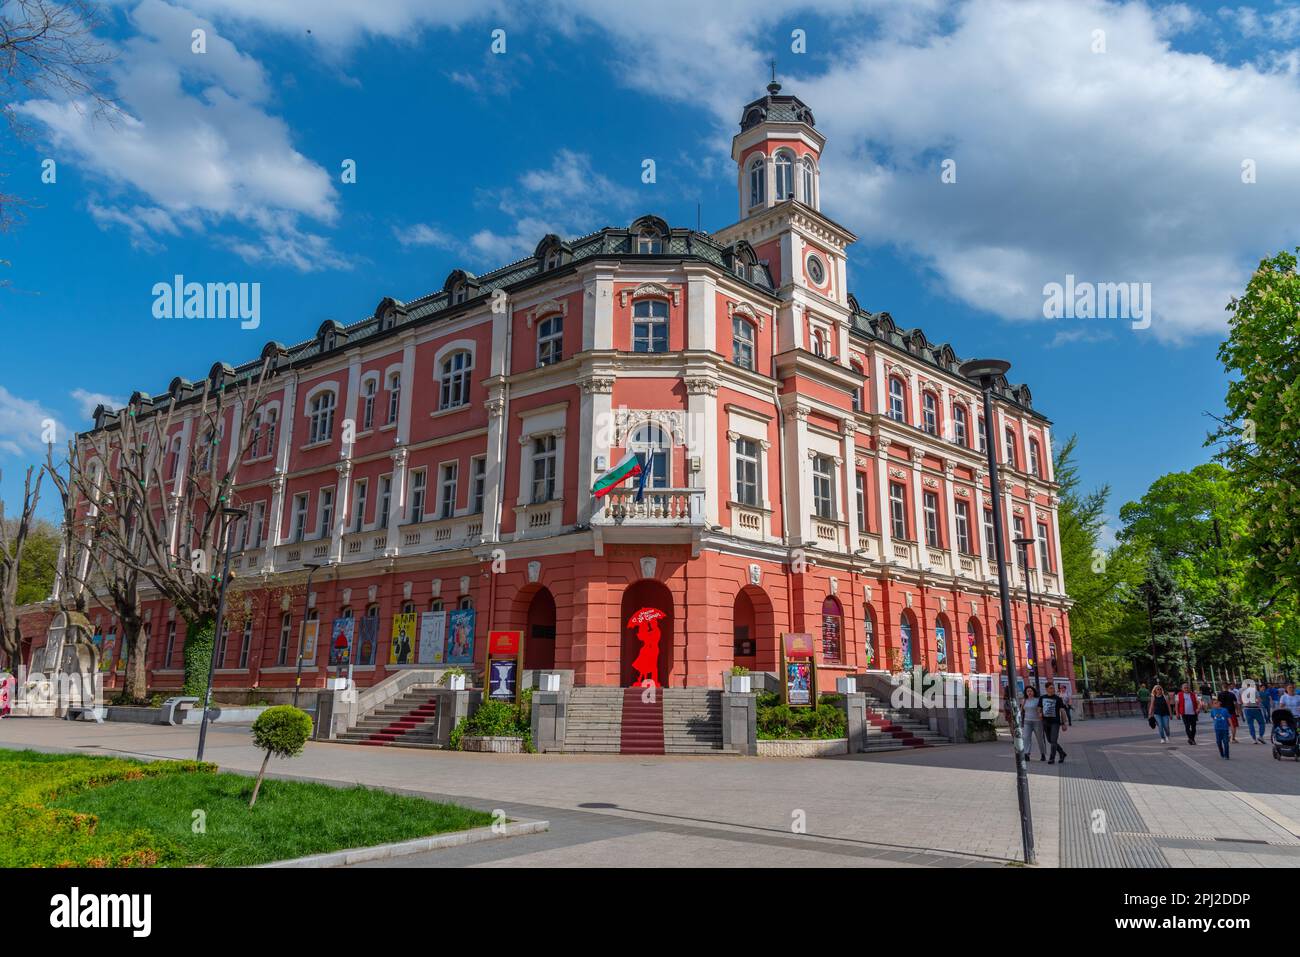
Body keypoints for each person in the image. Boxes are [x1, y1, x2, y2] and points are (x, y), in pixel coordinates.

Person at [1040, 683, 1068, 763]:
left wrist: (1064, 723)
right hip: (1045, 722)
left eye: (1053, 688)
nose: (1053, 690)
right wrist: (1040, 713)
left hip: (1055, 722)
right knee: (1050, 740)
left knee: (1053, 740)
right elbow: (1039, 708)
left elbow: (1062, 711)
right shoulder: (1042, 698)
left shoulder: (1058, 699)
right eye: (1051, 688)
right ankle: (1062, 753)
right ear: (1046, 689)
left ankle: (1052, 758)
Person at [1022, 685, 1046, 761]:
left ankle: (1043, 754)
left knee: (1040, 739)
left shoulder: (1038, 700)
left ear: (1033, 692)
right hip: (1027, 721)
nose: (1029, 692)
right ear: (1026, 693)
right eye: (1027, 691)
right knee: (1026, 737)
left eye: (1031, 691)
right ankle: (1026, 754)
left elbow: (1041, 710)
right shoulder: (1024, 700)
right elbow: (1022, 710)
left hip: (1037, 722)